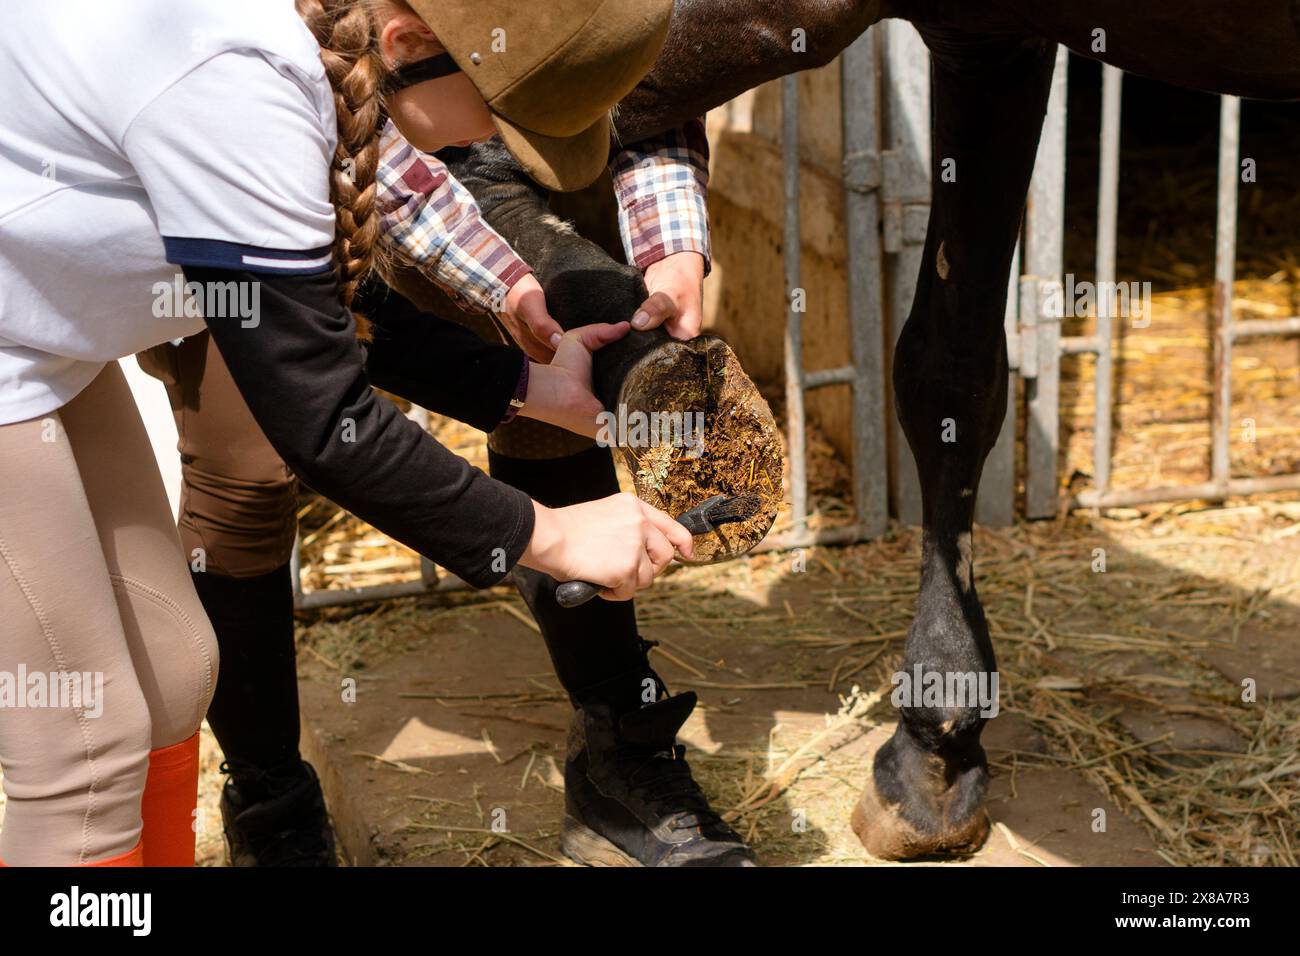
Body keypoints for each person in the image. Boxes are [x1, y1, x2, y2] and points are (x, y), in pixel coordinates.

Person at [0, 0, 684, 866]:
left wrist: (526, 385)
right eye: (499, 126)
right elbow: (319, 417)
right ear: (406, 44)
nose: (494, 155)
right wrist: (551, 534)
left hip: (38, 336)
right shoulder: (232, 80)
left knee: (173, 673)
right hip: (15, 346)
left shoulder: (302, 58)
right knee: (83, 749)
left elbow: (288, 308)